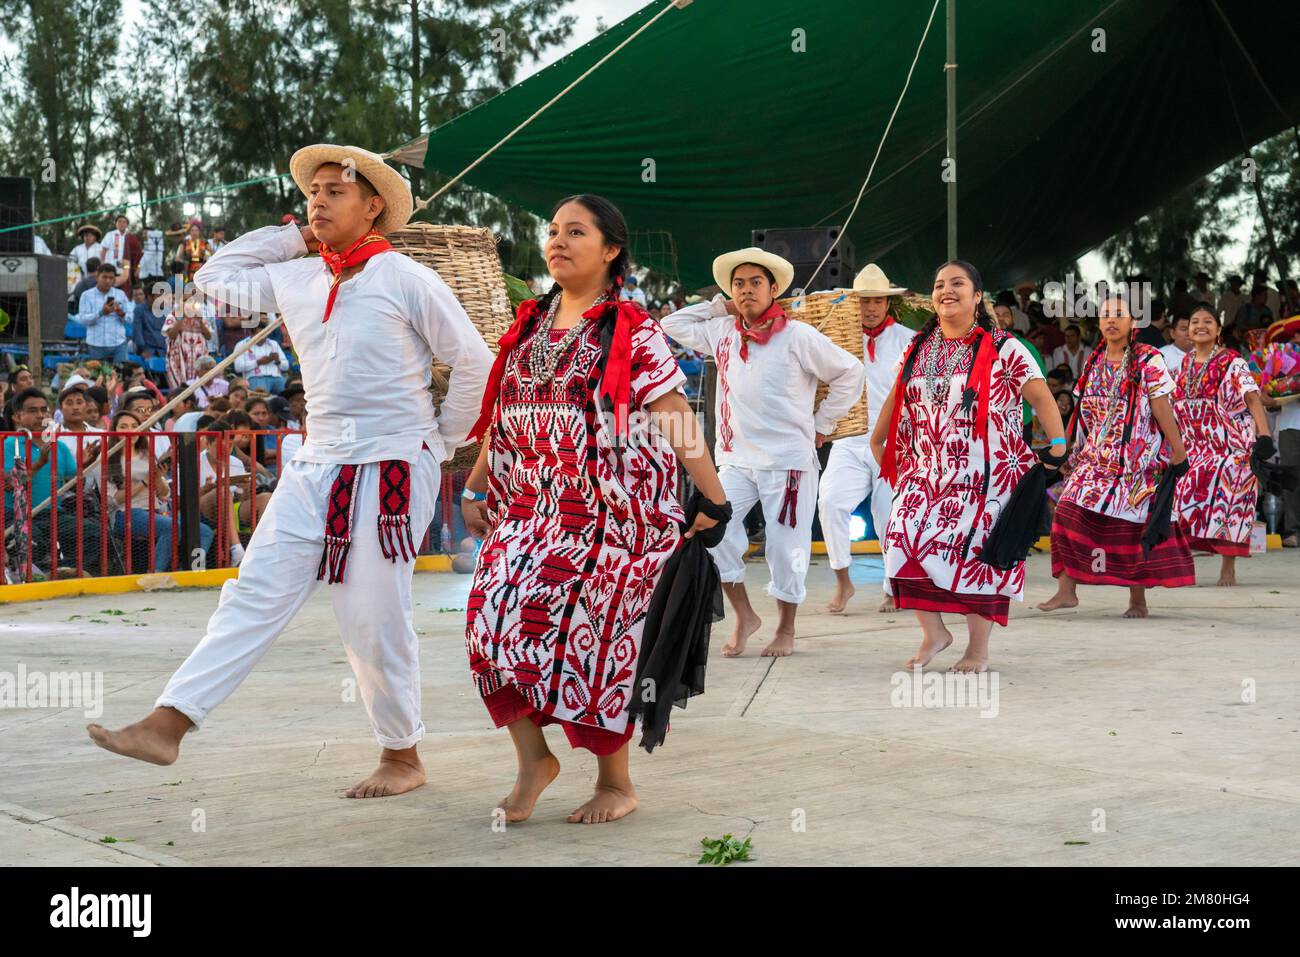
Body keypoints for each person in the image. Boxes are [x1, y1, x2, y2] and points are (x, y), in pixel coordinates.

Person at [89, 143, 494, 801]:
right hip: (315, 461)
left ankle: (402, 751)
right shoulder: (299, 277)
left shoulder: (407, 278)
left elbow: (475, 362)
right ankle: (170, 721)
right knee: (254, 588)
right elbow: (215, 274)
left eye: (337, 191)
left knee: (370, 611)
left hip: (393, 462)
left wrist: (440, 440)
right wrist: (294, 236)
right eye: (315, 191)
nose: (320, 199)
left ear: (374, 207)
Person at [461, 194, 728, 825]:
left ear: (610, 250)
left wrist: (713, 497)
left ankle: (615, 781)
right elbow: (507, 416)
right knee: (485, 628)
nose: (556, 241)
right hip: (530, 509)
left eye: (574, 232)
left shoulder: (634, 329)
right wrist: (476, 487)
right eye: (552, 230)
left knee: (594, 649)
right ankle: (535, 760)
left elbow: (673, 414)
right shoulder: (529, 324)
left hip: (616, 519)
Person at [663, 246, 863, 657]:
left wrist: (823, 425)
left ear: (774, 289)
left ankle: (786, 629)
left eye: (756, 283)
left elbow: (850, 372)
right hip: (735, 458)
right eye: (739, 284)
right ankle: (745, 614)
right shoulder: (721, 331)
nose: (747, 290)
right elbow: (671, 323)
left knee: (786, 548)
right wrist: (718, 307)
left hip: (788, 460)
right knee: (711, 532)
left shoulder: (798, 335)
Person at [872, 261, 1064, 673]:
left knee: (977, 555)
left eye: (958, 283)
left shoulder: (1004, 347)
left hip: (988, 478)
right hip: (928, 472)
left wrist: (1059, 445)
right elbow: (898, 393)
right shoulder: (919, 348)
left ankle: (977, 649)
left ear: (978, 297)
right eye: (939, 284)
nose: (947, 290)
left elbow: (1041, 397)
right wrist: (878, 437)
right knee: (901, 540)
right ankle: (934, 634)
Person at [1039, 296, 1193, 618]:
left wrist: (1178, 451)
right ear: (1098, 323)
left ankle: (1137, 600)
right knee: (1066, 511)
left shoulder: (1148, 359)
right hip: (1095, 459)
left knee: (1132, 528)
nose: (1111, 320)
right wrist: (1065, 448)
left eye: (1119, 314)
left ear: (1133, 323)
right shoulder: (1093, 362)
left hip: (1138, 461)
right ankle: (1067, 592)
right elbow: (1080, 410)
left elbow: (1161, 407)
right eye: (1106, 314)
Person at [816, 263, 915, 614]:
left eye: (877, 301)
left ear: (888, 303)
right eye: (863, 301)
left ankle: (892, 586)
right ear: (853, 303)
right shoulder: (836, 339)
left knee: (890, 513)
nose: (871, 307)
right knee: (829, 501)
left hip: (894, 443)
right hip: (850, 439)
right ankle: (843, 582)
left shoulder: (908, 339)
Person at [1173, 304, 1271, 585]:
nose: (1200, 325)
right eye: (1194, 322)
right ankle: (1184, 563)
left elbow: (1252, 397)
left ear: (1217, 330)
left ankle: (1228, 566)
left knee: (1230, 500)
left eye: (1207, 321)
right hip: (1195, 446)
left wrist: (1263, 437)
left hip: (1231, 445)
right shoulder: (1184, 363)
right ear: (1188, 331)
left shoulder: (1233, 360)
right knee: (1182, 498)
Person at [3, 387, 105, 578]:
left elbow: (75, 485)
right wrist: (40, 463)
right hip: (17, 515)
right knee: (33, 539)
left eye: (44, 410)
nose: (40, 415)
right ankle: (37, 576)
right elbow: (11, 484)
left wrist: (86, 464)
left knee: (94, 533)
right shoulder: (10, 444)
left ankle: (62, 572)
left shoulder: (60, 445)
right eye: (33, 411)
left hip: (53, 513)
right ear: (17, 416)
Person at [1262, 316, 1300, 548]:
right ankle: (1293, 531)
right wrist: (1270, 398)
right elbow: (1268, 397)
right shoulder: (1279, 362)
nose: (1297, 338)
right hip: (1290, 426)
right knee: (1292, 481)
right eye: (1295, 335)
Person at [78, 263, 132, 364]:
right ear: (97, 277)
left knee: (121, 375)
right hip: (96, 344)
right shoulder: (86, 295)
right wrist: (101, 313)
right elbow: (83, 320)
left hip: (118, 344)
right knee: (97, 376)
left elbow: (131, 318)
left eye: (111, 278)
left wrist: (121, 313)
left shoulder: (120, 294)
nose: (108, 281)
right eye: (104, 277)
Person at [162, 299, 212, 390]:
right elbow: (172, 335)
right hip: (178, 361)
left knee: (197, 390)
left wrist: (200, 321)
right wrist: (182, 318)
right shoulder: (172, 316)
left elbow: (208, 336)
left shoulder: (200, 318)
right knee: (179, 390)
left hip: (197, 359)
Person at [232, 321, 290, 393]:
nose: (263, 336)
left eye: (265, 333)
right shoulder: (242, 345)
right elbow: (237, 367)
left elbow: (286, 366)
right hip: (256, 377)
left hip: (276, 376)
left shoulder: (273, 344)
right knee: (261, 396)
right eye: (260, 334)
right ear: (251, 333)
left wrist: (277, 361)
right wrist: (258, 362)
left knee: (286, 395)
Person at [100, 214, 142, 290]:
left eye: (124, 222)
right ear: (116, 224)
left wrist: (137, 267)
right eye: (119, 221)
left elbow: (137, 254)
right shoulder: (110, 235)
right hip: (111, 268)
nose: (121, 223)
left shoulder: (130, 237)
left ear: (127, 225)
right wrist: (102, 263)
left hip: (125, 269)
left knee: (124, 290)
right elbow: (103, 250)